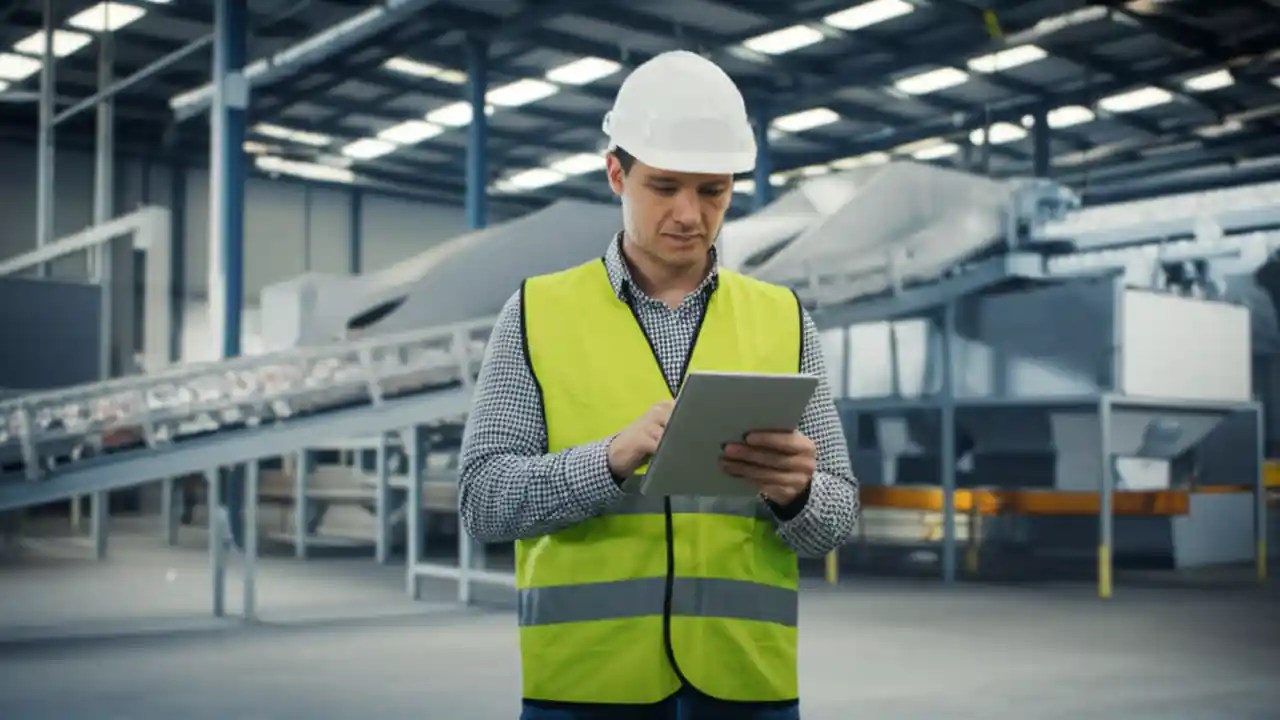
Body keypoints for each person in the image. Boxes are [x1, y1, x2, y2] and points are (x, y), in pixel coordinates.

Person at [459, 50, 859, 720]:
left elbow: (838, 517)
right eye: (664, 186)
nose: (688, 214)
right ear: (616, 173)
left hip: (745, 684)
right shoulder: (535, 313)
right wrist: (609, 459)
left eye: (713, 192)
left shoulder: (784, 318)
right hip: (586, 688)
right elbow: (482, 503)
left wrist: (798, 497)